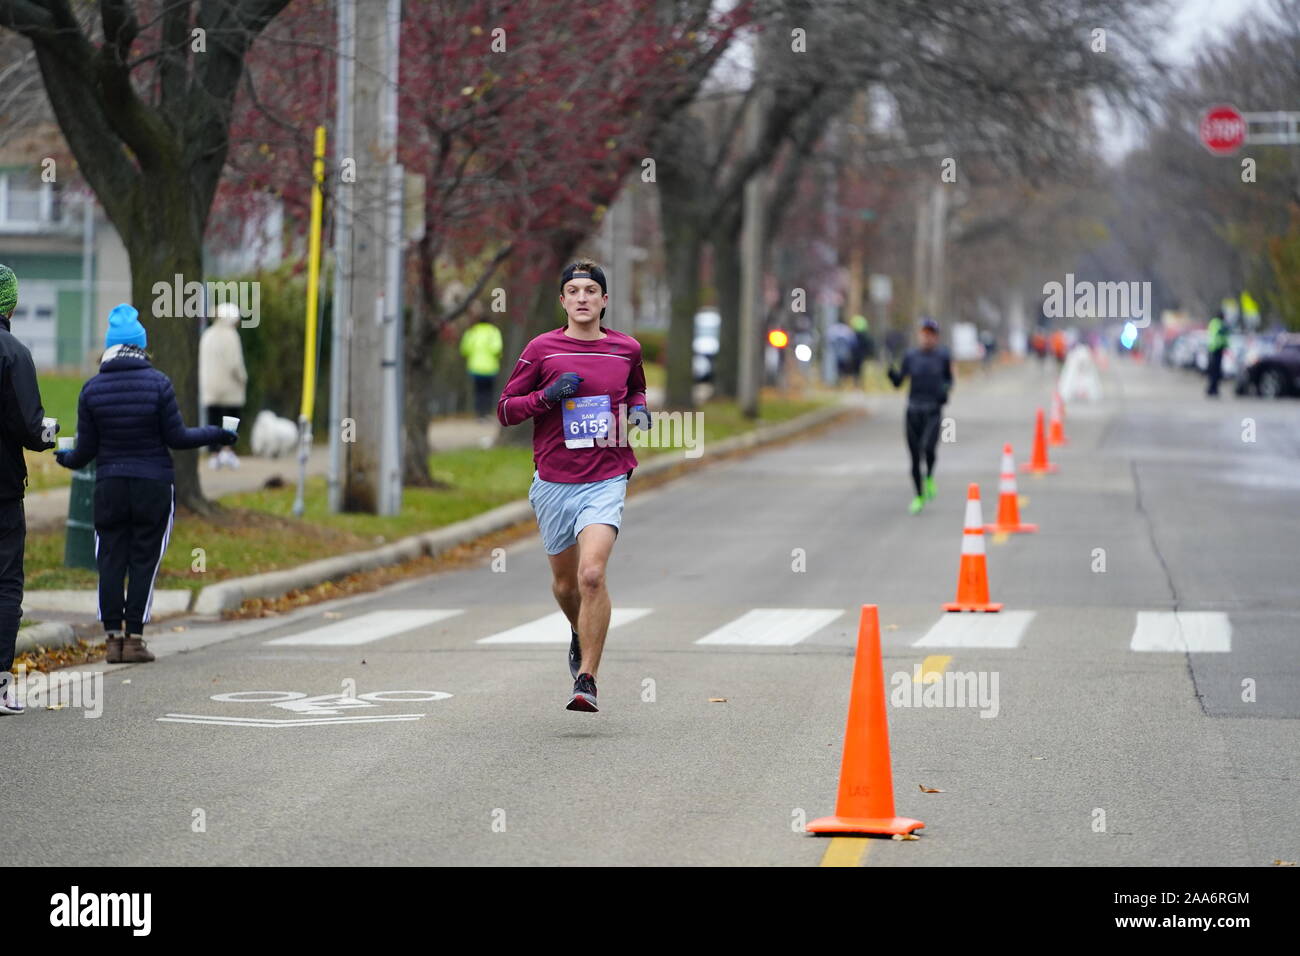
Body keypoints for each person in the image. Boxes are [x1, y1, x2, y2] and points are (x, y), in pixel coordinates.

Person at [497, 259, 650, 713]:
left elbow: (636, 389)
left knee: (591, 575)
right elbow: (506, 410)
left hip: (606, 475)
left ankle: (587, 679)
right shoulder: (542, 350)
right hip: (553, 481)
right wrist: (548, 396)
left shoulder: (627, 349)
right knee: (566, 585)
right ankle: (577, 630)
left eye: (591, 291)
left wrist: (639, 410)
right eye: (574, 291)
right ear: (562, 301)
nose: (582, 298)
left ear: (604, 300)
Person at [55, 304, 236, 664]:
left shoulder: (92, 390)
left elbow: (85, 451)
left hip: (109, 487)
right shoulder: (159, 384)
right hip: (153, 486)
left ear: (109, 346)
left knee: (109, 560)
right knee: (143, 561)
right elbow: (178, 437)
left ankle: (111, 641)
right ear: (140, 346)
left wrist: (64, 457)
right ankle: (134, 639)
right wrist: (220, 433)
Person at [0, 263, 57, 715]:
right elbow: (29, 427)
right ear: (12, 303)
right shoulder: (14, 354)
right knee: (5, 587)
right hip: (1, 489)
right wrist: (47, 433)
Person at [888, 317, 952, 515]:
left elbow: (949, 379)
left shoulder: (942, 356)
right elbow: (899, 382)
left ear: (936, 337)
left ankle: (930, 477)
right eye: (924, 334)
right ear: (919, 336)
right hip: (913, 410)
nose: (927, 338)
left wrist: (944, 390)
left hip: (932, 410)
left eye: (931, 335)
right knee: (915, 456)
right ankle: (919, 496)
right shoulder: (911, 356)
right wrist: (891, 374)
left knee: (928, 448)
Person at [199, 301, 248, 469]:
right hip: (230, 387)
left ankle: (214, 454)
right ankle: (227, 450)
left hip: (210, 387)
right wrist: (243, 378)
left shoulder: (207, 334)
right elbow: (236, 364)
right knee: (231, 419)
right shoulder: (231, 336)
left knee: (213, 420)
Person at [460, 310, 503, 420]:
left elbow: (464, 350)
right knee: (489, 392)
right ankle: (487, 413)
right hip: (491, 368)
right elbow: (497, 349)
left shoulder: (472, 332)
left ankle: (479, 414)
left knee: (478, 392)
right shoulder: (494, 332)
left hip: (475, 368)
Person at [1205, 309, 1229, 397]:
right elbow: (1221, 333)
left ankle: (1212, 389)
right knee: (1215, 371)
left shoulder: (1214, 322)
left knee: (1213, 371)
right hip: (1216, 349)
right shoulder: (1218, 323)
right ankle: (1213, 389)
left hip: (1214, 349)